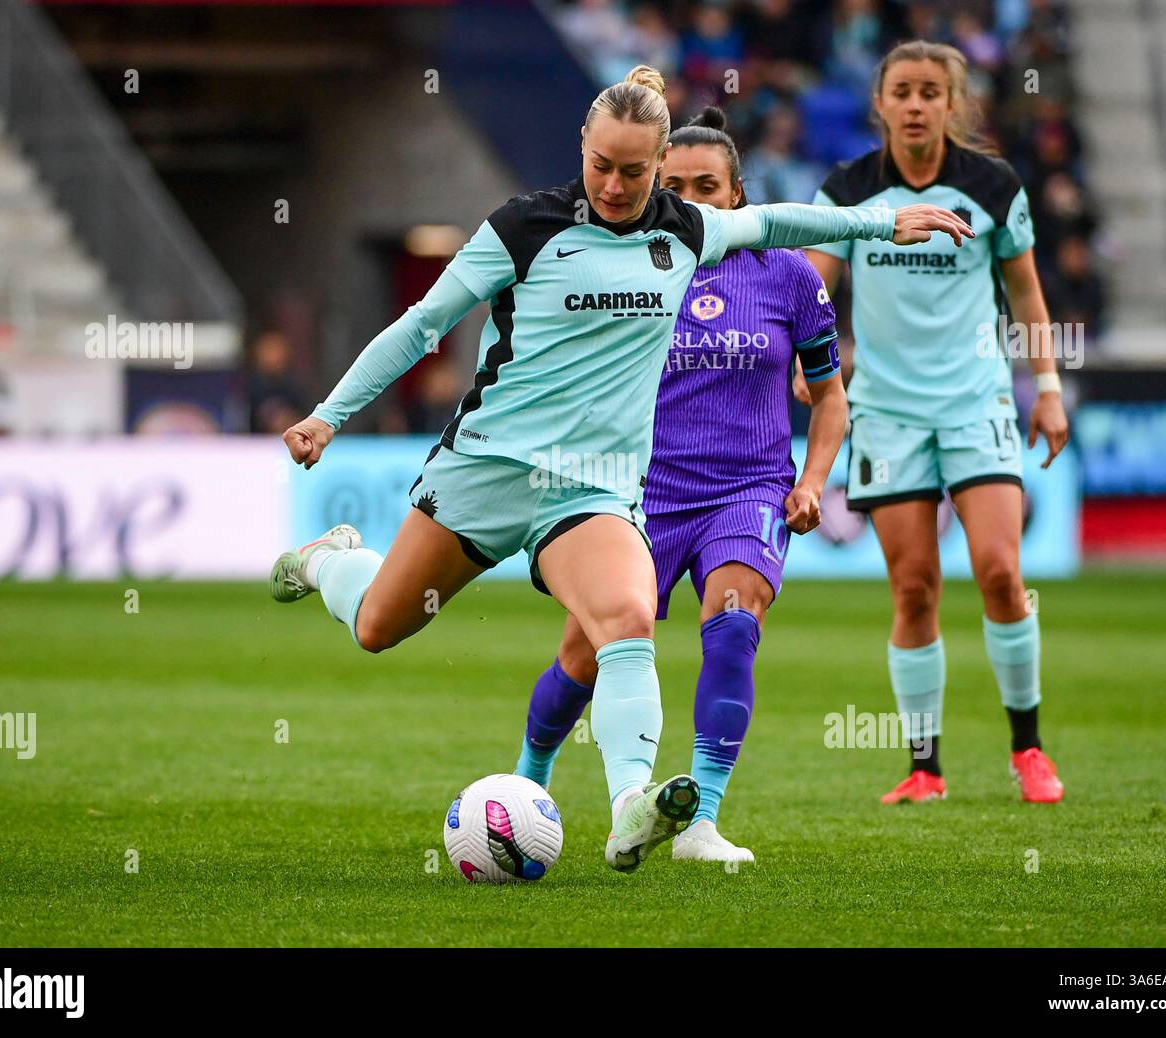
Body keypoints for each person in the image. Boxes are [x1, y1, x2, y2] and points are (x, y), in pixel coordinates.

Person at [270, 65, 970, 871]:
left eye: (635, 170)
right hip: (488, 472)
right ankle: (328, 562)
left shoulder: (688, 232)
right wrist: (330, 414)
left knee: (628, 621)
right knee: (379, 627)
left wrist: (883, 225)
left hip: (590, 489)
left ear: (659, 160)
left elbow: (778, 221)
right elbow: (422, 321)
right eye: (602, 164)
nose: (613, 183)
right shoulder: (523, 228)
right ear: (583, 147)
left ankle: (632, 806)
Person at [511, 107, 848, 864]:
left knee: (733, 627)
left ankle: (700, 822)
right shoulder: (618, 265)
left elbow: (830, 396)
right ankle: (527, 784)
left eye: (709, 185)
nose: (692, 198)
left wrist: (814, 480)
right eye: (675, 184)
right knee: (582, 658)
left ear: (738, 195)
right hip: (637, 493)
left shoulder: (789, 276)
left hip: (748, 488)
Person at [806, 41, 1069, 805]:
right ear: (879, 104)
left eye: (930, 92)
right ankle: (925, 767)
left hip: (975, 402)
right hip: (885, 412)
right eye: (902, 91)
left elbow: (1026, 294)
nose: (916, 105)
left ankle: (1029, 749)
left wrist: (1046, 389)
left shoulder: (993, 186)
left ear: (952, 104)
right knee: (913, 587)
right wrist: (805, 353)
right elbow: (813, 288)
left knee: (1000, 572)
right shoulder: (847, 190)